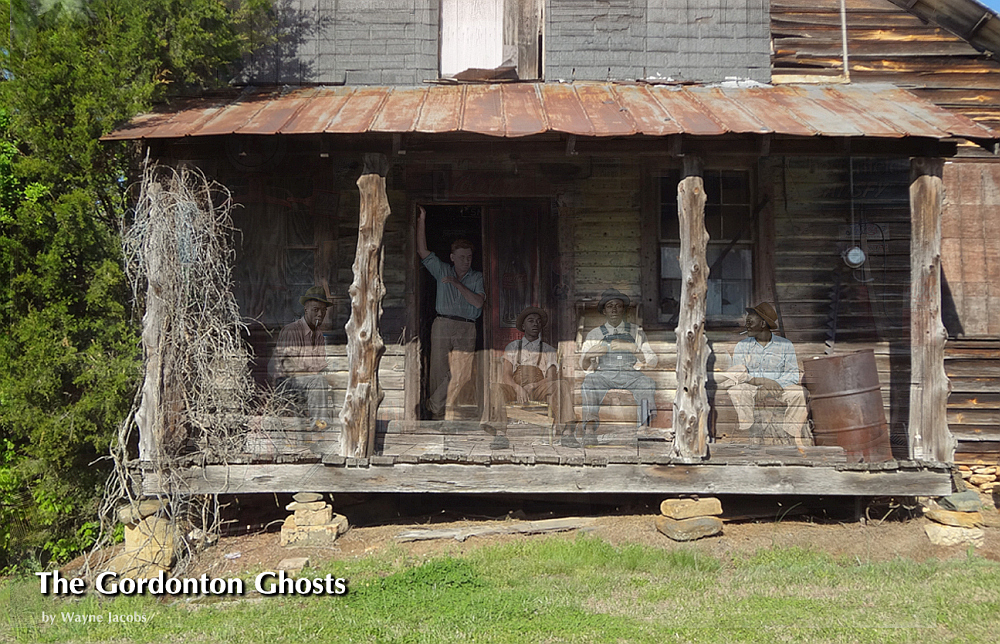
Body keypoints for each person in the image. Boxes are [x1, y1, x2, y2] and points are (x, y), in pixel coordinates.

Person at [417, 205, 486, 420]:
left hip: (467, 325)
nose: (467, 260)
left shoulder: (477, 277)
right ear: (452, 257)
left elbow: (478, 303)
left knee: (462, 371)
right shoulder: (442, 269)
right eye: (462, 256)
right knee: (438, 370)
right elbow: (422, 251)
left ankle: (433, 404)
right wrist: (422, 221)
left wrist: (457, 284)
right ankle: (438, 414)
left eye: (469, 257)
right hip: (443, 323)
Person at [484, 307, 578, 449]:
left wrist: (532, 386)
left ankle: (567, 434)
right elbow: (506, 375)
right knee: (495, 387)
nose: (535, 324)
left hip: (539, 388)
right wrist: (518, 388)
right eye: (531, 321)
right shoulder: (513, 347)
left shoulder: (548, 349)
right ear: (523, 326)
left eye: (538, 321)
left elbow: (552, 376)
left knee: (562, 384)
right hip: (516, 389)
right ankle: (500, 436)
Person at [724, 302, 812, 447]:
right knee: (736, 390)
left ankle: (790, 435)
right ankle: (751, 434)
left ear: (763, 323)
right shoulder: (742, 346)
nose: (747, 326)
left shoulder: (785, 345)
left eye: (750, 322)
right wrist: (761, 382)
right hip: (752, 389)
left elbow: (792, 375)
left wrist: (774, 384)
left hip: (779, 389)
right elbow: (738, 376)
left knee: (800, 393)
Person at [579, 288, 658, 445]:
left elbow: (653, 361)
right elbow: (583, 366)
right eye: (609, 306)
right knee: (589, 382)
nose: (614, 309)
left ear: (624, 309)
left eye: (618, 305)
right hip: (604, 374)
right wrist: (589, 355)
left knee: (647, 383)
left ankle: (643, 428)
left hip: (630, 374)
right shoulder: (595, 333)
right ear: (604, 311)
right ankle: (589, 429)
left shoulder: (636, 331)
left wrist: (633, 349)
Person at [270, 286, 333, 429]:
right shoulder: (291, 330)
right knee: (318, 380)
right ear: (306, 310)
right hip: (285, 383)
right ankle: (319, 424)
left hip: (305, 381)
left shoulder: (319, 335)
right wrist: (312, 367)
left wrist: (312, 367)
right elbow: (289, 367)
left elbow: (322, 363)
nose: (320, 314)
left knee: (329, 380)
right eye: (316, 310)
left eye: (323, 311)